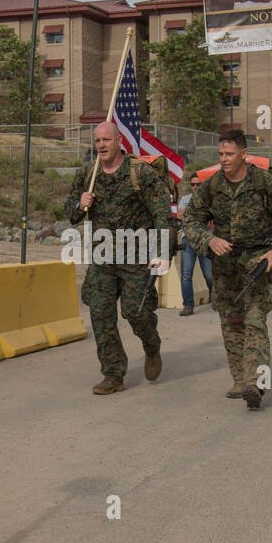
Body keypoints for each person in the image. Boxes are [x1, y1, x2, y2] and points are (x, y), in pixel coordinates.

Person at [182, 131, 272, 409]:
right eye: (220, 155)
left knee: (254, 321)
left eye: (229, 154)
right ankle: (240, 379)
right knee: (231, 322)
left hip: (257, 264)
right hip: (225, 267)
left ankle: (257, 382)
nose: (224, 160)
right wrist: (208, 239)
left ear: (243, 154)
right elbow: (191, 219)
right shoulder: (211, 186)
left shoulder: (264, 184)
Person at [64, 121, 172, 394]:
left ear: (119, 140)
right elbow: (70, 212)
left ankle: (151, 345)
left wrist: (163, 252)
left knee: (136, 312)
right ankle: (113, 374)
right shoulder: (88, 174)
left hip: (138, 257)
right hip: (103, 259)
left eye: (106, 140)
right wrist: (81, 204)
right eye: (97, 140)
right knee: (100, 313)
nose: (101, 145)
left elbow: (162, 214)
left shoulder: (140, 174)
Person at [177, 172, 213, 315]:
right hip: (188, 239)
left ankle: (215, 297)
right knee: (186, 274)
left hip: (205, 239)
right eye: (193, 184)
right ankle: (188, 305)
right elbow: (180, 215)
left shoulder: (209, 199)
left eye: (198, 184)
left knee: (209, 274)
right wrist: (199, 214)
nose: (196, 187)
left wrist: (191, 214)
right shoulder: (186, 199)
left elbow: (211, 223)